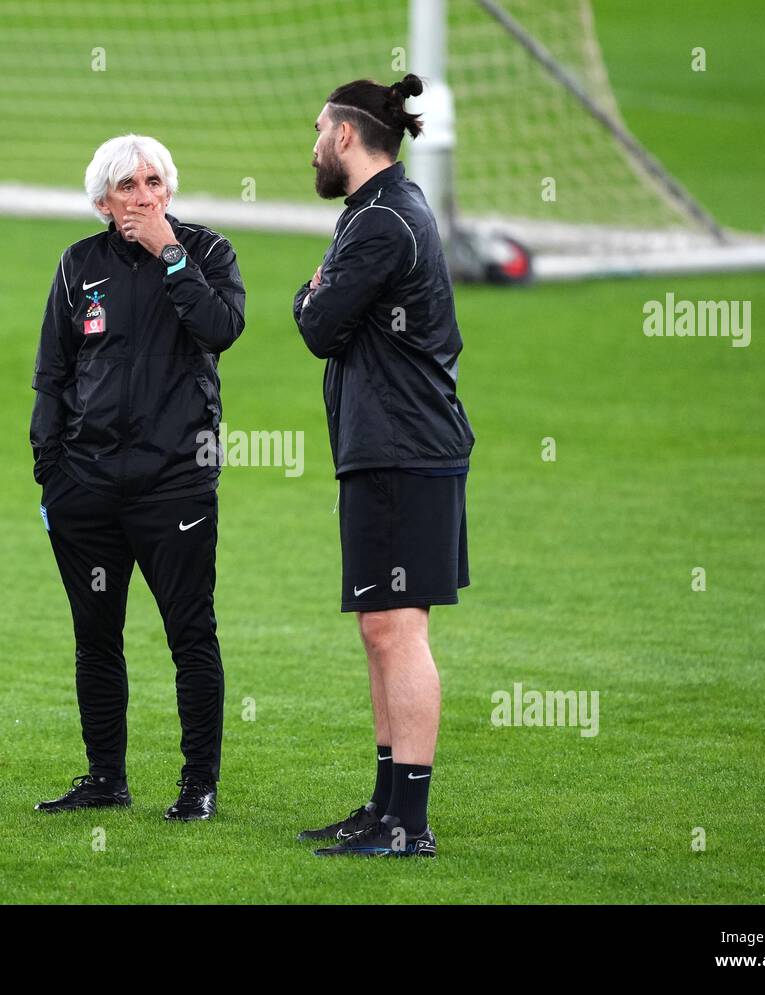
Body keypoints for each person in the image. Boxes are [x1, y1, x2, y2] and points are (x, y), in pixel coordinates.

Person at [30, 134, 245, 821]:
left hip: (175, 485)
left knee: (190, 632)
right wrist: (51, 478)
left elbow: (220, 328)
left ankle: (198, 786)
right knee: (95, 636)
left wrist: (169, 252)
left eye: (154, 182)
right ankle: (104, 777)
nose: (144, 195)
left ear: (170, 191)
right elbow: (52, 376)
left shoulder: (206, 252)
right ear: (102, 201)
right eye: (128, 186)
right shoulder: (79, 265)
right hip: (87, 491)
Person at [292, 76, 475, 857]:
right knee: (379, 628)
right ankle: (385, 804)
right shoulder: (377, 209)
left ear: (342, 136)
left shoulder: (381, 222)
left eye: (315, 134)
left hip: (405, 449)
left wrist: (310, 296)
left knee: (398, 630)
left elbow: (318, 322)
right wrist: (318, 295)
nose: (310, 150)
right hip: (388, 447)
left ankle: (411, 822)